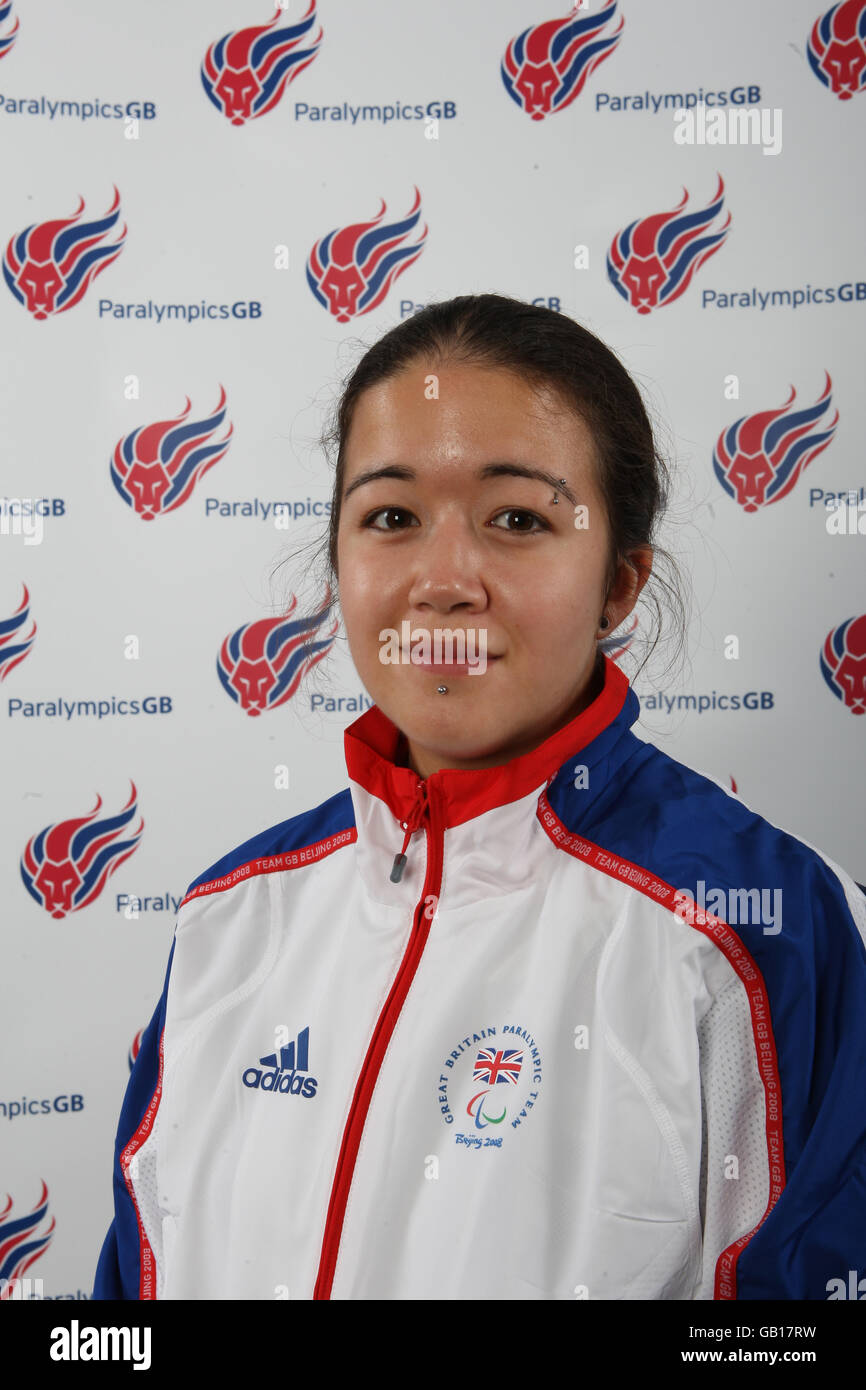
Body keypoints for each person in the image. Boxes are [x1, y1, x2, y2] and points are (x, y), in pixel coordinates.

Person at [93, 293, 866, 1301]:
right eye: (390, 517)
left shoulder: (762, 926)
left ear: (618, 583)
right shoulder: (230, 916)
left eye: (516, 519)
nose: (443, 577)